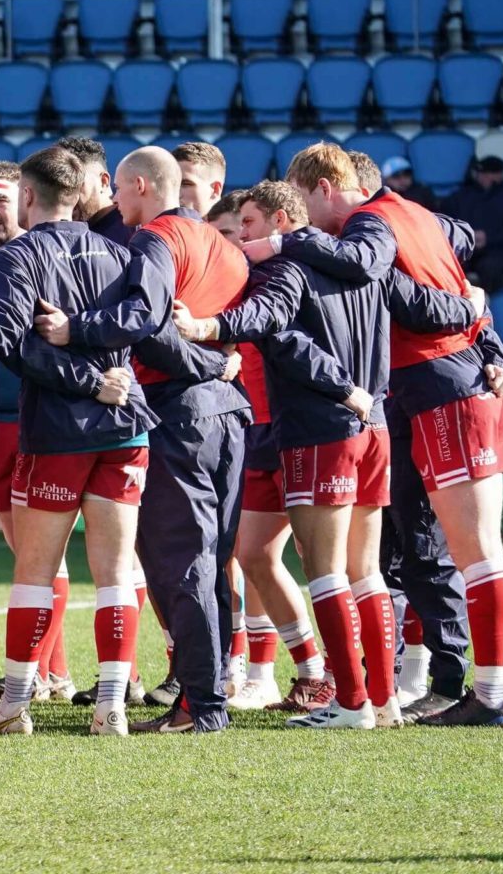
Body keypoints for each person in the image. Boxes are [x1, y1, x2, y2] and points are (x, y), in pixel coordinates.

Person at [179, 179, 484, 729]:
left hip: (320, 427)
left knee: (326, 573)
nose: (241, 235)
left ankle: (349, 700)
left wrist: (210, 326)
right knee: (365, 572)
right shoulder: (364, 271)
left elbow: (278, 333)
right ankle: (382, 698)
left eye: (247, 223)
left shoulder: (284, 269)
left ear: (278, 221)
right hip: (373, 427)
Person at [255, 144, 503, 728]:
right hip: (441, 381)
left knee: (473, 552)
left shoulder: (369, 224)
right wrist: (476, 318)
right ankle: (451, 683)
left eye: (301, 202)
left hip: (440, 381)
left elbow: (381, 278)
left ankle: (492, 692)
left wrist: (284, 243)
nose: (300, 218)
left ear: (325, 188)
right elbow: (457, 246)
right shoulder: (419, 214)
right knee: (436, 549)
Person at [0, 147, 150, 737]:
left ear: (29, 197)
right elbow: (145, 322)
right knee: (115, 572)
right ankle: (110, 706)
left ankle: (15, 703)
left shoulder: (20, 255)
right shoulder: (119, 252)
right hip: (125, 427)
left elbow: (8, 341)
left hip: (59, 431)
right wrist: (117, 380)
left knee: (35, 569)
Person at [36, 146, 251, 734]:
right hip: (231, 412)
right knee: (212, 563)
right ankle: (212, 691)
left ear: (136, 187)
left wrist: (73, 328)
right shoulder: (225, 247)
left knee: (180, 561)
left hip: (178, 410)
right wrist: (218, 361)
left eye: (119, 191)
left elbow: (146, 324)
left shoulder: (157, 238)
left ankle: (201, 705)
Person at [202, 189, 333, 714]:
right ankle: (311, 670)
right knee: (253, 554)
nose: (236, 245)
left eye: (238, 232)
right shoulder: (236, 283)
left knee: (329, 561)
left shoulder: (285, 276)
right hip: (255, 429)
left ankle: (357, 676)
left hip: (298, 426)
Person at [0, 160, 75, 703]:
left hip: (42, 422)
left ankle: (52, 674)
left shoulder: (46, 258)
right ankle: (54, 672)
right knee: (25, 554)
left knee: (42, 556)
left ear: (25, 200)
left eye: (0, 201)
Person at [436, 156, 503, 292]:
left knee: (491, 268)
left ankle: (491, 309)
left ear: (500, 175)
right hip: (464, 250)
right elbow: (443, 223)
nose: (484, 177)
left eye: (489, 174)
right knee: (446, 264)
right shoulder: (459, 198)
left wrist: (488, 237)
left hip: (501, 253)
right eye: (481, 174)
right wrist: (465, 237)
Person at [60, 136, 132, 246]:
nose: (67, 195)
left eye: (75, 184)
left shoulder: (133, 228)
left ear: (104, 181)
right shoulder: (62, 235)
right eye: (60, 186)